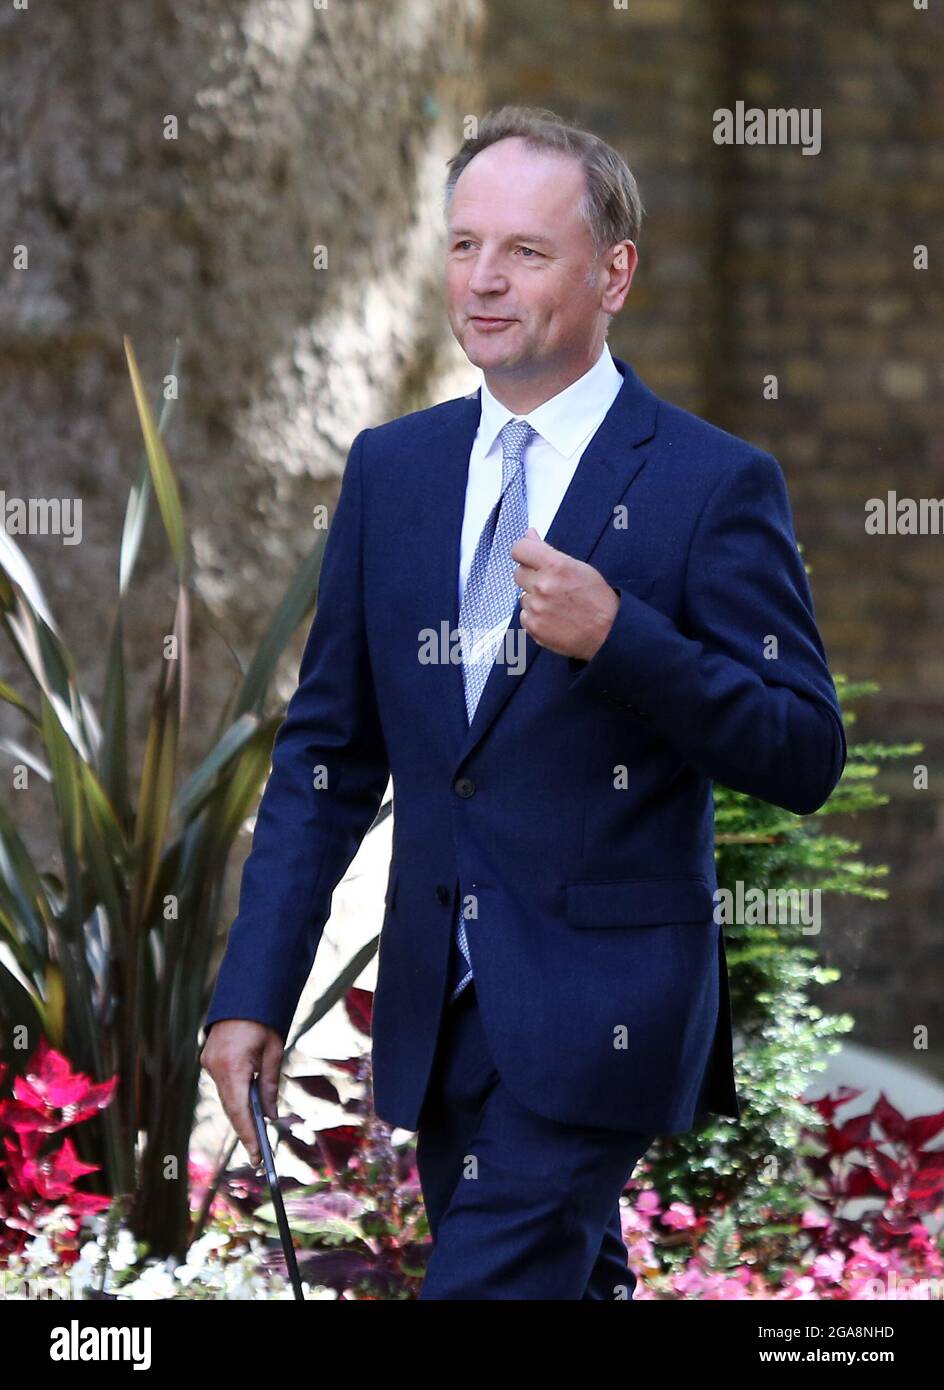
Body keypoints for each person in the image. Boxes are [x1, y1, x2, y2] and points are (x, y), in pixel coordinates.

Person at [200, 105, 846, 1300]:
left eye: (524, 252)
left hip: (602, 1015)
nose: (482, 281)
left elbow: (803, 749)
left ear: (613, 274)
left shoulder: (711, 483)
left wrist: (621, 640)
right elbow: (327, 761)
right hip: (442, 1023)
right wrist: (252, 996)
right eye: (462, 246)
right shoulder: (390, 470)